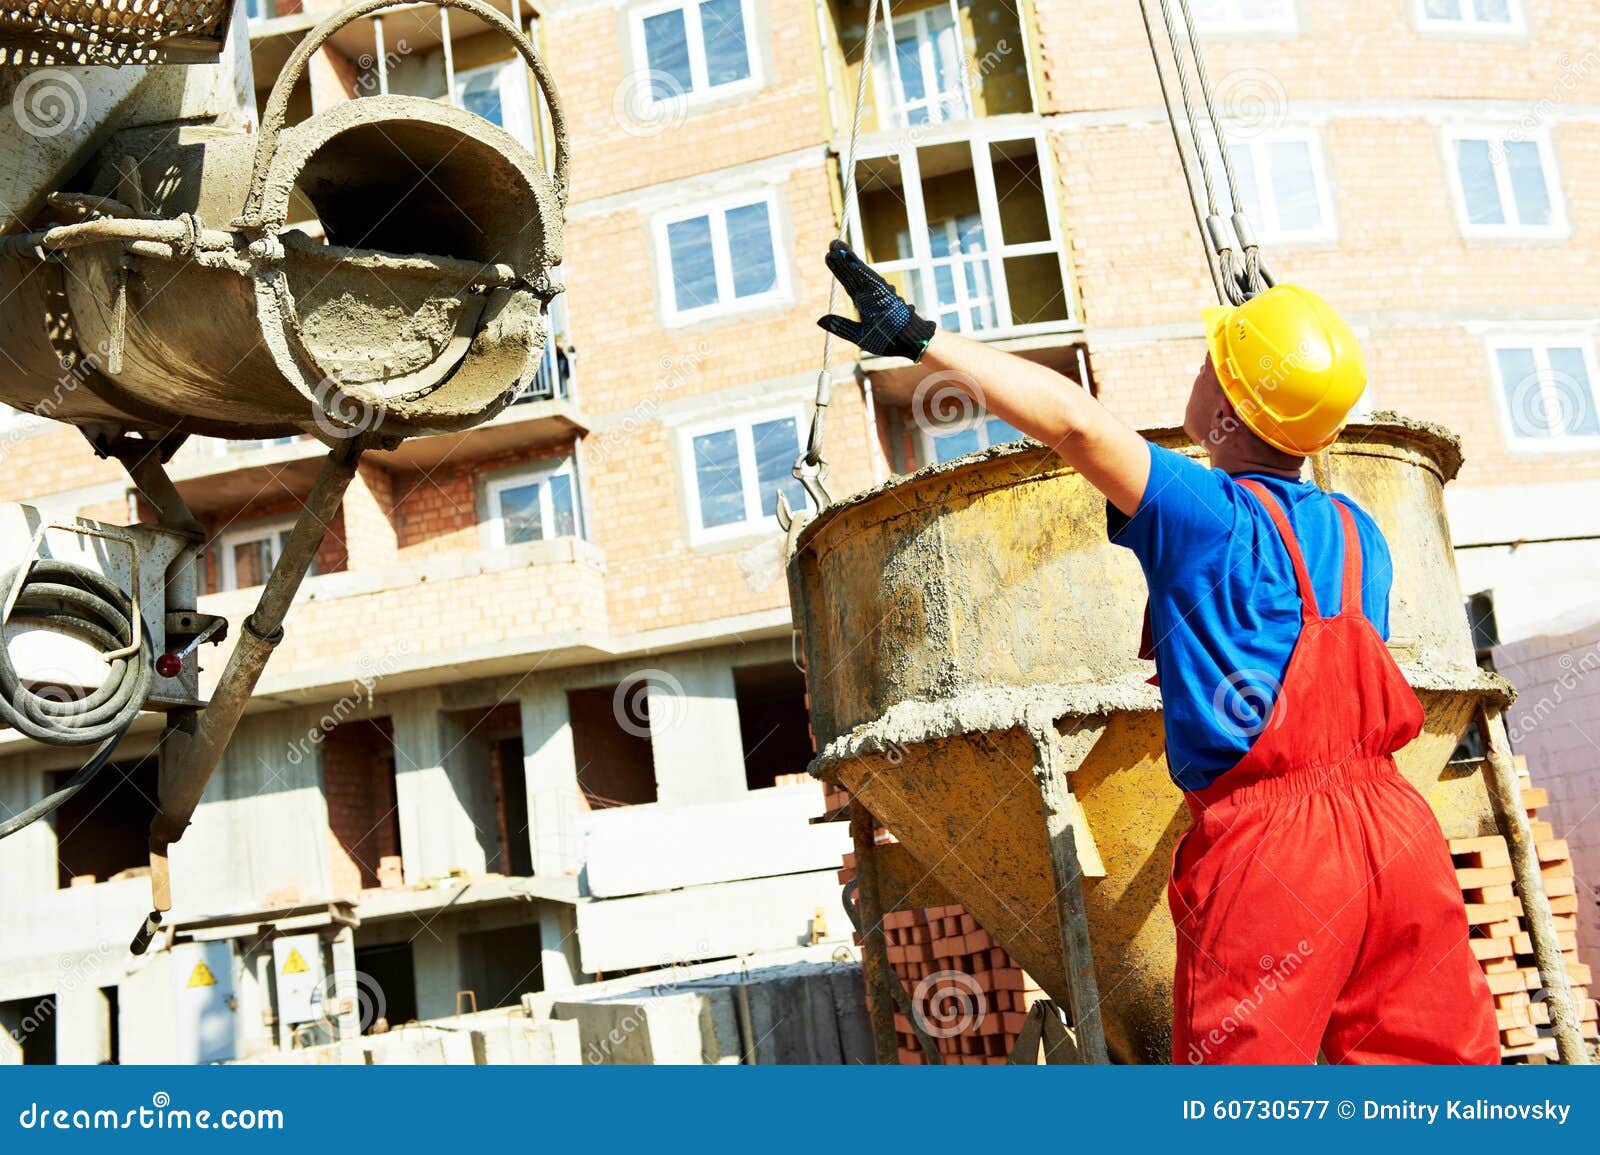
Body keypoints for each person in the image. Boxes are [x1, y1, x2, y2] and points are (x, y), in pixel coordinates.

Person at [818, 240, 1499, 1065]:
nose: (1201, 368)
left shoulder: (1204, 512)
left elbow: (1074, 421)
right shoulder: (1363, 536)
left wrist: (922, 339)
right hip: (1397, 834)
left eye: (1215, 361)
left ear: (1227, 415)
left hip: (1276, 852)